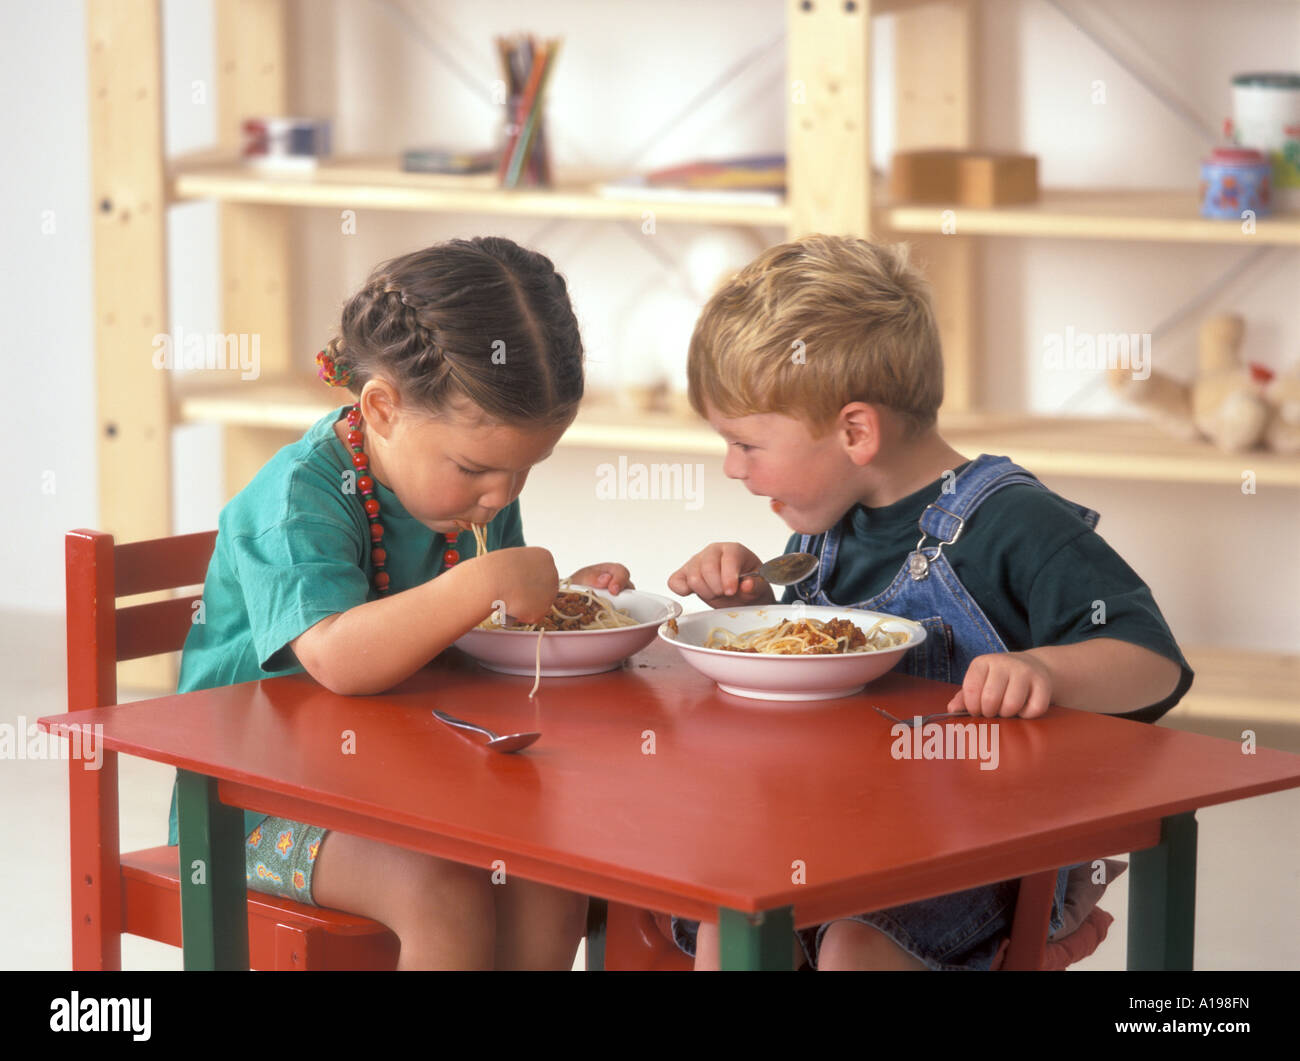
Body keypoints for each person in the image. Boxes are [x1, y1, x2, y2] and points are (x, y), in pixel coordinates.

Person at [667, 234, 1193, 971]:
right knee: (734, 922)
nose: (731, 468)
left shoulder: (1010, 523)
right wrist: (750, 609)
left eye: (747, 445)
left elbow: (1155, 663)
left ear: (855, 430)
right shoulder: (831, 527)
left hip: (992, 852)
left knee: (854, 944)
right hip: (841, 831)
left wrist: (1049, 670)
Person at [168, 237, 630, 969]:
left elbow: (473, 628)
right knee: (441, 892)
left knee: (551, 874)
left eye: (524, 471)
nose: (500, 496)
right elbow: (341, 657)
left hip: (406, 784)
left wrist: (560, 599)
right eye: (477, 467)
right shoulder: (297, 500)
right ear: (382, 408)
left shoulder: (471, 504)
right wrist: (483, 582)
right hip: (256, 806)